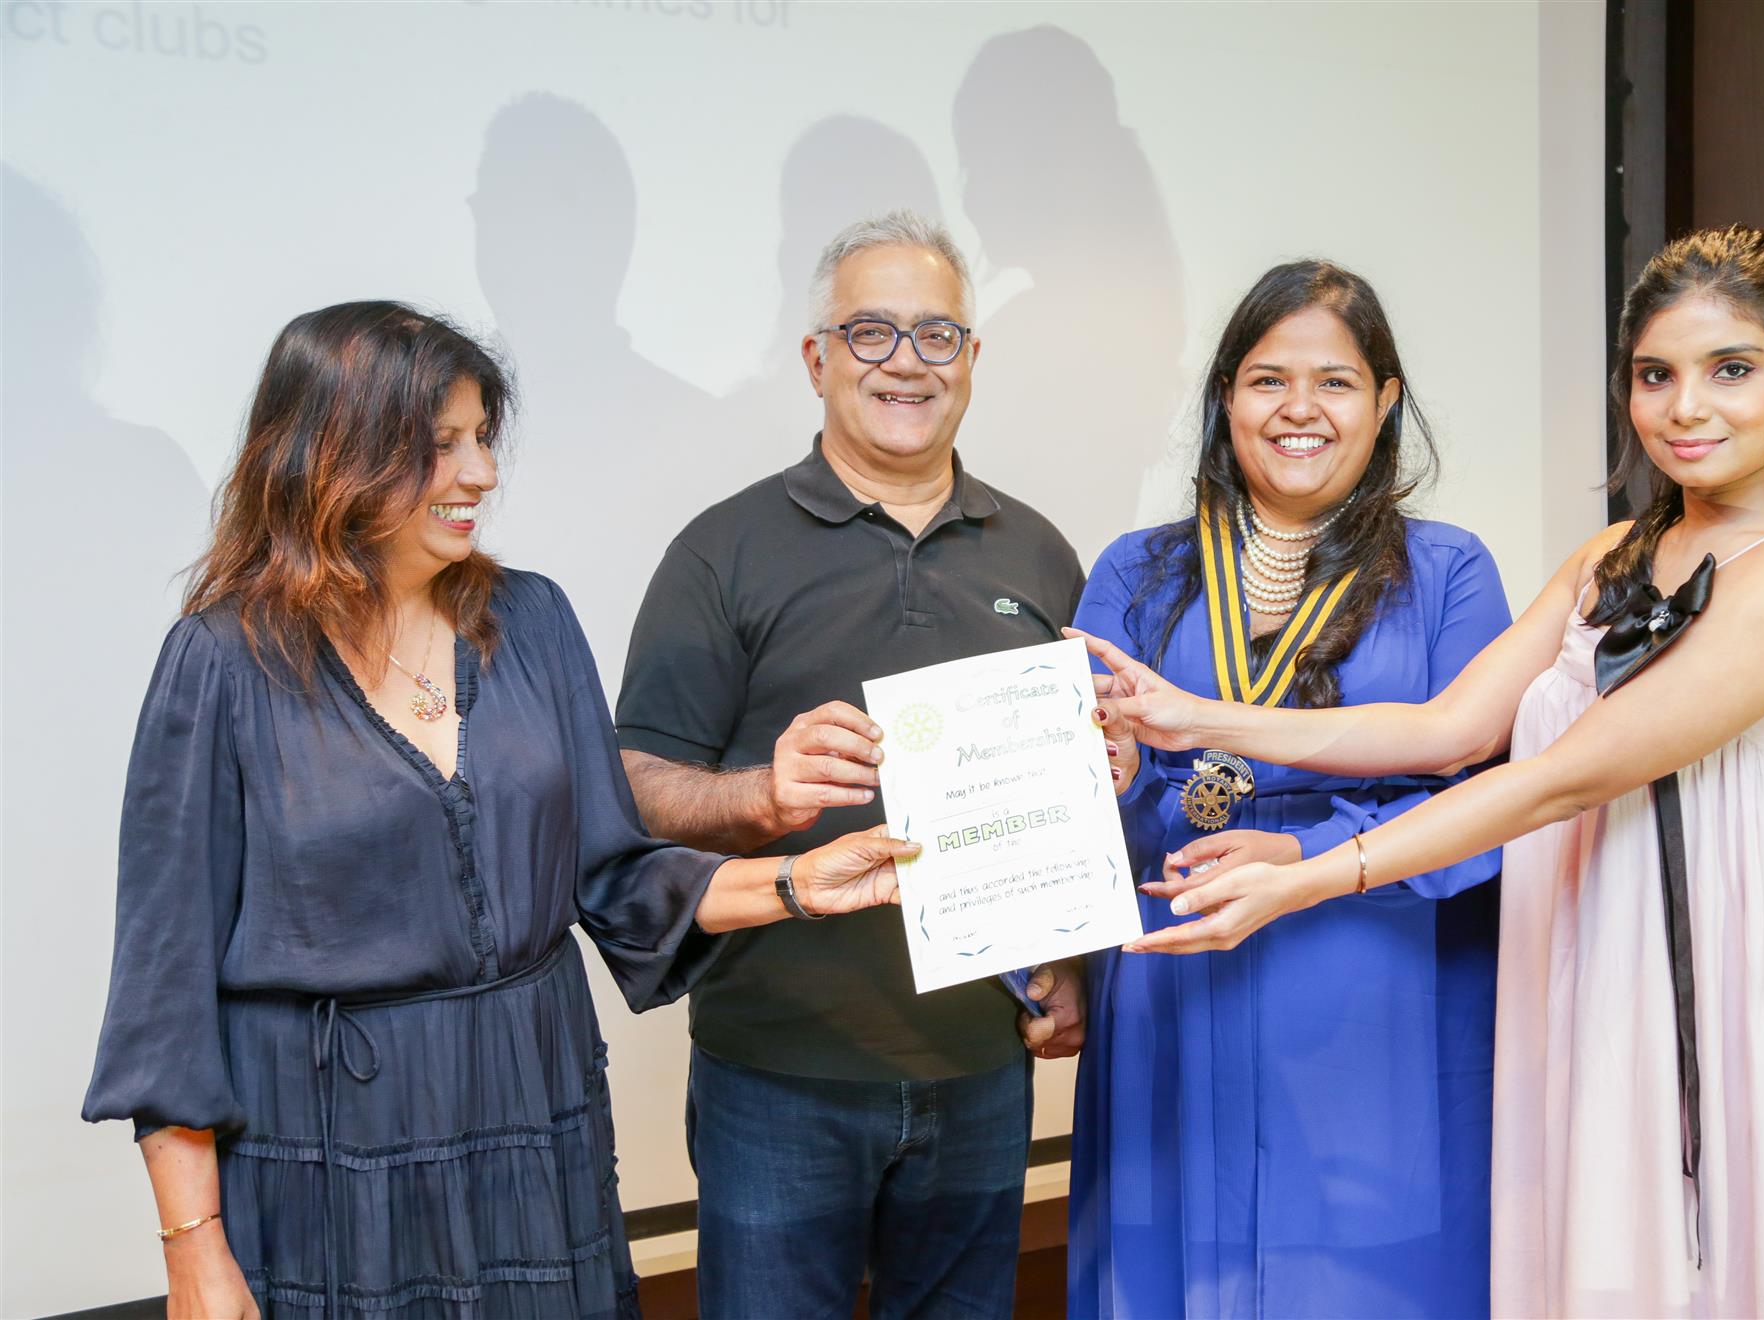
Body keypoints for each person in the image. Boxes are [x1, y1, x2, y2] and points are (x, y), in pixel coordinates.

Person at [1078, 226, 1764, 1317]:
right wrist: (1195, 715)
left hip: (1731, 955)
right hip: (1594, 942)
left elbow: (1559, 780)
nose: (1687, 408)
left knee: (1721, 1252)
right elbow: (1445, 728)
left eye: (1732, 370)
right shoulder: (1613, 552)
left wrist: (1307, 874)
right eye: (1656, 375)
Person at [81, 302, 917, 1320]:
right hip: (328, 1154)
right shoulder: (221, 664)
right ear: (333, 454)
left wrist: (795, 885)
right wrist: (193, 1251)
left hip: (529, 1115)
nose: (480, 472)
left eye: (482, 438)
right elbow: (163, 988)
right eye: (440, 445)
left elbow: (614, 878)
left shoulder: (531, 622)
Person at [614, 211, 1086, 1319]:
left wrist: (1072, 963)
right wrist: (761, 797)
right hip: (779, 1072)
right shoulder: (720, 553)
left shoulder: (1041, 553)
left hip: (981, 1064)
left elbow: (1065, 795)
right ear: (818, 359)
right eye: (871, 333)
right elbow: (635, 784)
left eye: (935, 336)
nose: (904, 364)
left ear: (972, 360)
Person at [1066, 260, 1510, 1319]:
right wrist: (1108, 779)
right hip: (1176, 974)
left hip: (1375, 983)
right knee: (1171, 1270)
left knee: (1371, 1279)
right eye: (1268, 379)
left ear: (1386, 400)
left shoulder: (1450, 573)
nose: (1299, 409)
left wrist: (1307, 857)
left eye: (1337, 382)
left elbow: (1497, 805)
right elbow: (1079, 796)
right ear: (1227, 397)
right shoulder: (1136, 571)